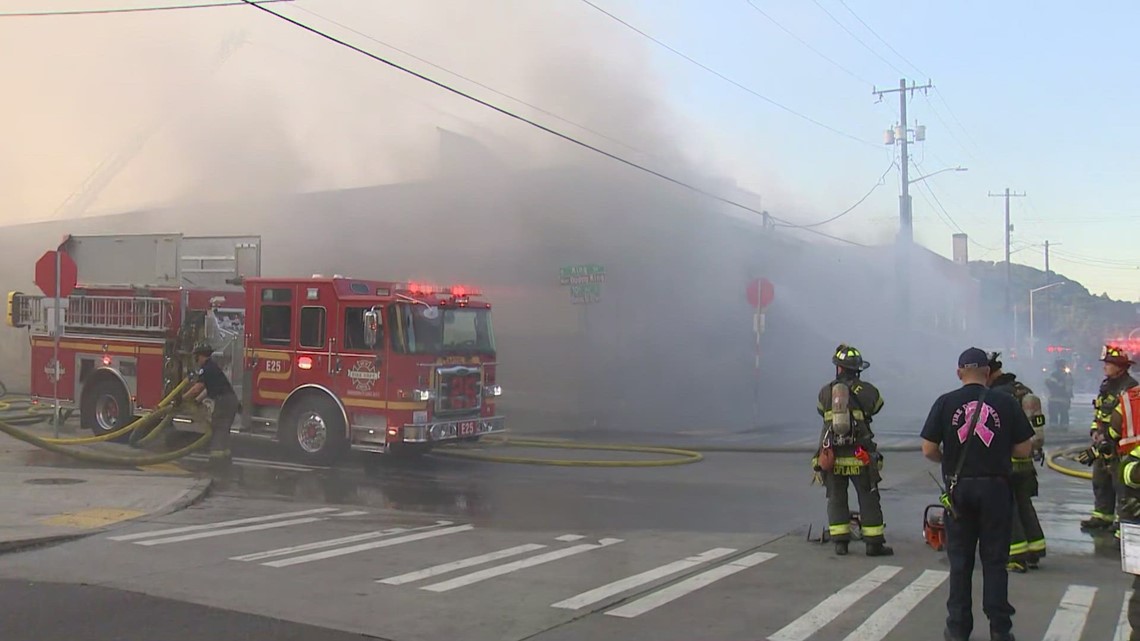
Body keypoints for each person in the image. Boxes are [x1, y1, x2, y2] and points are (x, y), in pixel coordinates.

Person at [921, 347, 1034, 641]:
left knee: (960, 562)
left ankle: (958, 629)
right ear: (987, 372)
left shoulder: (945, 403)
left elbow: (929, 449)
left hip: (959, 490)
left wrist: (948, 461)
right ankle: (1000, 629)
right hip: (996, 488)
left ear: (959, 373)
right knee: (995, 561)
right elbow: (1024, 448)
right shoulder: (1006, 402)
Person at [812, 344, 892, 557]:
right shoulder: (868, 391)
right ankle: (873, 544)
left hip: (833, 456)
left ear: (838, 368)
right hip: (861, 455)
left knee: (836, 498)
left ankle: (840, 543)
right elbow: (877, 406)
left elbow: (821, 412)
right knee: (868, 497)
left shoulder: (825, 392)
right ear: (857, 369)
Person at [986, 352, 1047, 572]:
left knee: (1006, 508)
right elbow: (1037, 430)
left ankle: (1015, 555)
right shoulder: (1024, 391)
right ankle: (1035, 549)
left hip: (1005, 463)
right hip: (1026, 463)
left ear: (989, 374)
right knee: (1024, 505)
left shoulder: (995, 397)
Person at [1077, 345, 1138, 532]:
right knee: (1100, 479)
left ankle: (1122, 520)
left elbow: (1121, 422)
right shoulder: (1106, 385)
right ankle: (1102, 516)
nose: (1105, 367)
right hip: (1103, 439)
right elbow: (1100, 412)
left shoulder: (1129, 388)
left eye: (1109, 364)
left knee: (1120, 482)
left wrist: (1103, 443)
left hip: (1119, 443)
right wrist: (1095, 431)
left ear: (1120, 366)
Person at [181, 342, 239, 465]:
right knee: (223, 431)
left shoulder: (206, 368)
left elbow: (198, 387)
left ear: (199, 356)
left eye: (196, 356)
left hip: (224, 402)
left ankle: (216, 462)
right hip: (230, 401)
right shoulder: (212, 366)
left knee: (217, 430)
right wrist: (197, 401)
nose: (195, 359)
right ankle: (226, 460)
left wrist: (182, 398)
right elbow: (208, 388)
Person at [1044, 359, 1074, 427]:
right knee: (1063, 414)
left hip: (1055, 399)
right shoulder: (1067, 375)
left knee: (1056, 415)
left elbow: (1047, 384)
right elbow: (1070, 386)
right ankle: (1061, 426)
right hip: (1061, 399)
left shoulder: (1053, 374)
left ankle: (1056, 426)